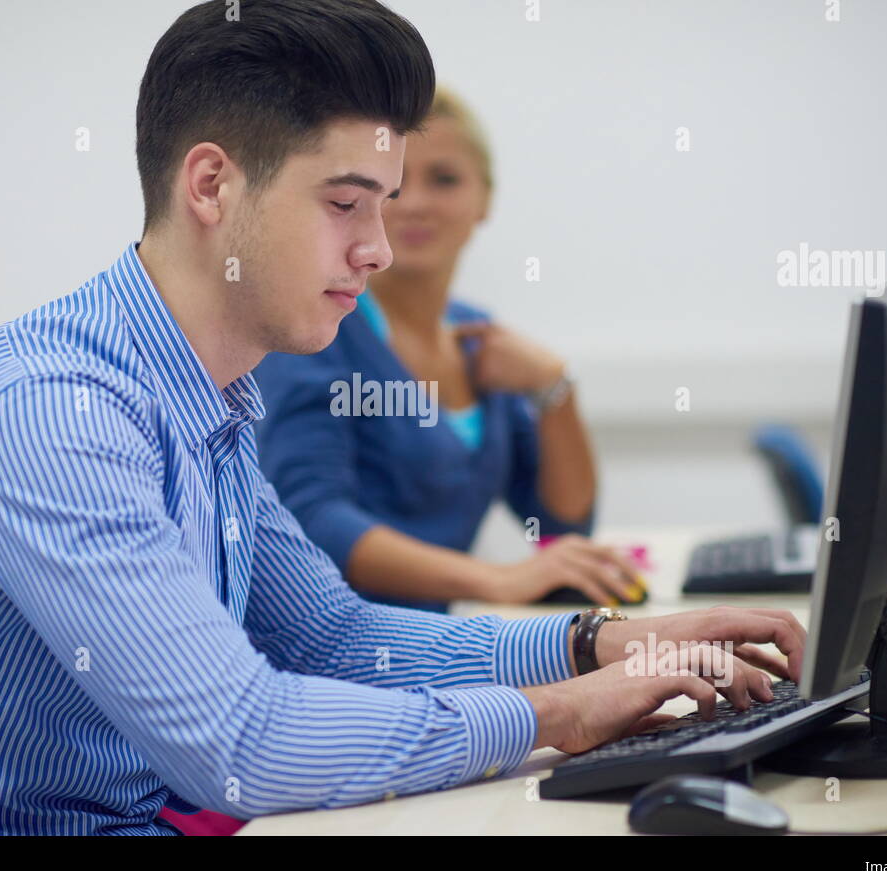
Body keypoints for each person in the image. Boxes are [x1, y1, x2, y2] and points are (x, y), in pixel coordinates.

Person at [0, 0, 804, 836]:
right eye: (345, 203)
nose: (378, 248)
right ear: (212, 185)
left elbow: (331, 638)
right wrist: (557, 714)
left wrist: (597, 643)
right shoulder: (55, 416)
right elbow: (238, 746)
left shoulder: (210, 398)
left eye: (387, 202)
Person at [255, 86, 644, 613]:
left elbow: (560, 527)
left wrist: (557, 389)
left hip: (435, 650)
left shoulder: (477, 335)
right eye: (390, 185)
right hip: (335, 659)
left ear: (484, 198)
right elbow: (313, 518)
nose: (414, 202)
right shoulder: (315, 330)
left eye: (444, 179)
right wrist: (495, 581)